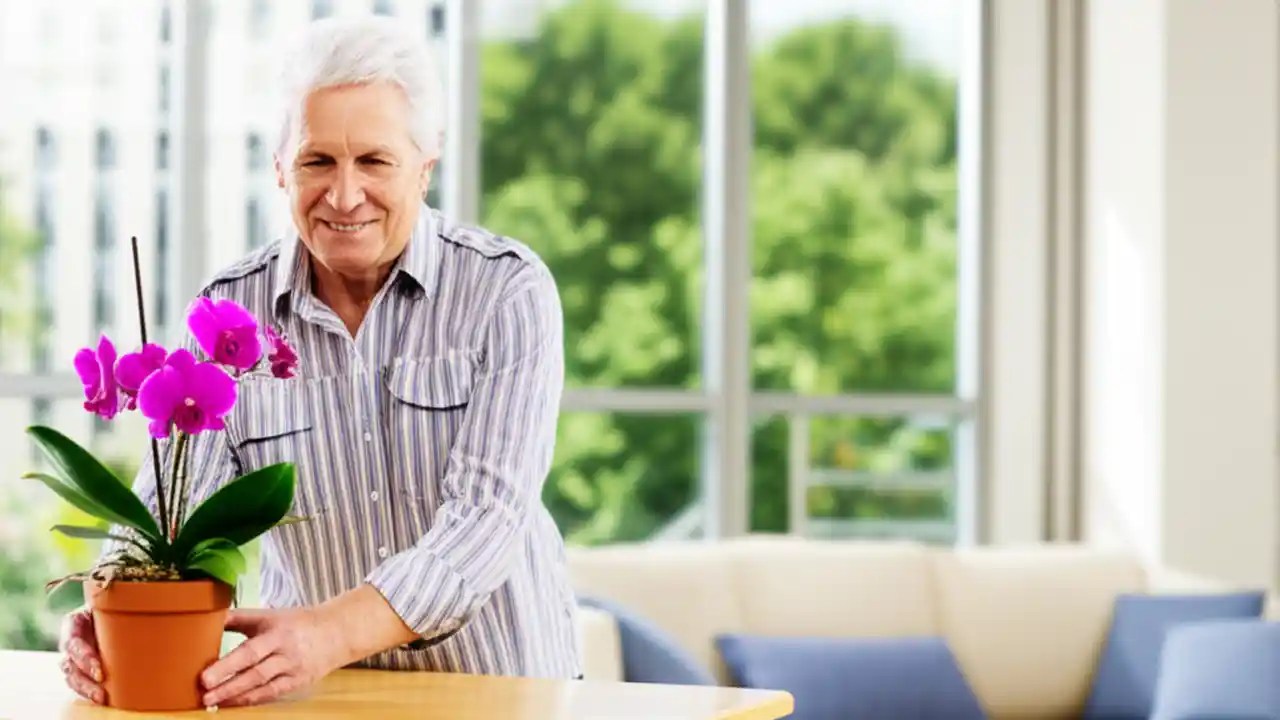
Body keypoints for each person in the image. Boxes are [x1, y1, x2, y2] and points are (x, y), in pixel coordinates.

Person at [57, 16, 579, 708]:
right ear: (279, 167)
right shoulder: (228, 313)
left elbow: (488, 518)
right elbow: (171, 514)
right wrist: (111, 611)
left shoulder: (506, 291)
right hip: (314, 698)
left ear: (427, 165)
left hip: (501, 689)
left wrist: (328, 634)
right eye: (317, 161)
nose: (343, 194)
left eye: (374, 161)